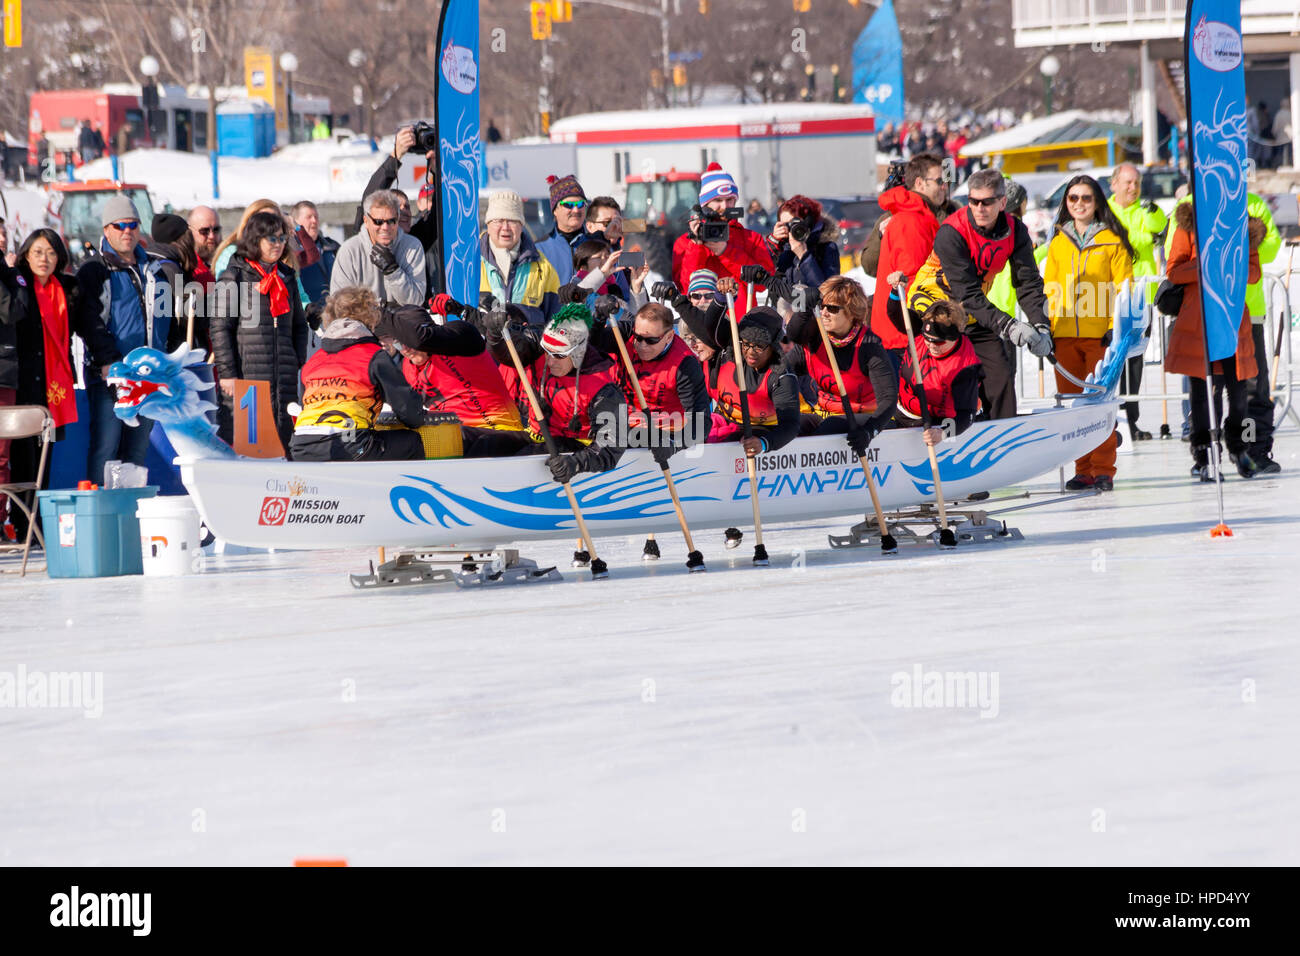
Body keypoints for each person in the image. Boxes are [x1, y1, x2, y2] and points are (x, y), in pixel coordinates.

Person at [907, 169, 1052, 420]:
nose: (980, 208)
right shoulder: (952, 232)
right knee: (951, 375)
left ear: (1003, 202)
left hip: (972, 312)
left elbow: (1027, 283)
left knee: (1000, 375)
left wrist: (1040, 324)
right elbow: (966, 292)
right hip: (935, 308)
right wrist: (1008, 326)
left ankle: (1003, 435)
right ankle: (939, 427)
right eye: (973, 201)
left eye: (987, 202)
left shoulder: (1015, 232)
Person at [0, 231, 105, 539]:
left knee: (45, 459)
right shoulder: (17, 286)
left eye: (50, 253)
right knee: (21, 460)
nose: (44, 259)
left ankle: (37, 523)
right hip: (22, 383)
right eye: (37, 252)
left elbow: (87, 327)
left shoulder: (68, 290)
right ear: (25, 256)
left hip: (54, 384)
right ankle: (22, 524)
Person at [1044, 175, 1135, 492]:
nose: (1079, 204)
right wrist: (1048, 328)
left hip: (1101, 337)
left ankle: (1103, 470)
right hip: (1064, 335)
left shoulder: (1113, 241)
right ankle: (1082, 469)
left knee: (1099, 405)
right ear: (1066, 204)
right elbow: (1049, 289)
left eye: (1085, 198)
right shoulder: (1057, 242)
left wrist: (1115, 327)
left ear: (1097, 202)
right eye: (1073, 199)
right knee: (1073, 409)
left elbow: (1125, 288)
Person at [75, 196, 174, 483]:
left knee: (136, 452)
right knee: (106, 448)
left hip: (147, 376)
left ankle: (129, 516)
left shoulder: (154, 269)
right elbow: (89, 322)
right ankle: (100, 514)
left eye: (132, 225)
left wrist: (165, 358)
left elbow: (166, 319)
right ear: (107, 229)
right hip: (111, 377)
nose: (127, 231)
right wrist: (108, 361)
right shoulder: (95, 269)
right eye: (120, 225)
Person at [1164, 202, 1265, 481]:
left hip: (1232, 319)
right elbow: (1174, 271)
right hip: (1199, 320)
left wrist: (1232, 261)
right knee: (1203, 394)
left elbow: (1254, 273)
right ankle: (1204, 452)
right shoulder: (1189, 223)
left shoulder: (1240, 223)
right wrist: (1206, 265)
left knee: (1240, 392)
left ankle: (1238, 446)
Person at [490, 303, 627, 484]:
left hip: (575, 447)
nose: (551, 361)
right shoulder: (541, 350)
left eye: (560, 355)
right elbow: (508, 352)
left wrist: (575, 464)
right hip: (536, 435)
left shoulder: (603, 389)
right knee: (483, 444)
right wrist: (494, 333)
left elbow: (612, 446)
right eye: (547, 352)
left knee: (518, 457)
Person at [380, 295, 532, 457]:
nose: (405, 350)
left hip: (497, 432)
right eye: (398, 344)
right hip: (449, 434)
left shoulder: (462, 338)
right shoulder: (406, 368)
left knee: (440, 440)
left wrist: (376, 311)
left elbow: (421, 339)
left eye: (408, 342)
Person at [290, 288, 428, 462]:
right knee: (411, 442)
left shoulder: (313, 362)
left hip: (301, 446)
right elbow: (410, 413)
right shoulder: (373, 355)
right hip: (349, 443)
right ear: (371, 319)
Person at [212, 210, 310, 452]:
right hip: (248, 376)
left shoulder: (286, 276)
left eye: (281, 238)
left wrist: (297, 359)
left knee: (282, 445)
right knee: (251, 447)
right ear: (256, 241)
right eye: (272, 239)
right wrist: (227, 373)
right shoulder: (234, 276)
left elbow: (299, 323)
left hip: (283, 377)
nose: (278, 244)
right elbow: (220, 327)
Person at [784, 276, 897, 456]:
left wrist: (869, 431)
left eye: (833, 308)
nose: (825, 313)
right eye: (822, 307)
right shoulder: (815, 335)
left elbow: (888, 399)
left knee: (831, 425)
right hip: (824, 414)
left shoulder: (869, 345)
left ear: (852, 312)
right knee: (789, 425)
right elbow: (792, 339)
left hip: (866, 417)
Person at [676, 298, 801, 456]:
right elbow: (709, 325)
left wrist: (764, 444)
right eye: (746, 343)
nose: (750, 352)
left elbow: (790, 425)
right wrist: (719, 298)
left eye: (759, 346)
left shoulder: (781, 375)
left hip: (762, 429)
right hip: (724, 420)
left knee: (718, 438)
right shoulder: (728, 352)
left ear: (773, 346)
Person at [871, 153, 950, 361]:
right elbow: (912, 280)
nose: (944, 186)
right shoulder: (912, 221)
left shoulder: (920, 217)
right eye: (939, 181)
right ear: (919, 183)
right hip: (905, 336)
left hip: (908, 335)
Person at [1108, 164, 1167, 441]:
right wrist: (1140, 239)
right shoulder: (1104, 212)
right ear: (1114, 184)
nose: (1133, 188)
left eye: (1137, 183)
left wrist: (1153, 212)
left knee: (1134, 361)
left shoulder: (1144, 212)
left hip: (1140, 296)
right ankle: (1108, 421)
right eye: (1128, 182)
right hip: (1108, 297)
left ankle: (1132, 421)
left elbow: (1160, 227)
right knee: (1110, 360)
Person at [614, 302, 710, 456]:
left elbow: (701, 422)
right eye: (638, 338)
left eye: (651, 340)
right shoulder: (623, 337)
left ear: (669, 336)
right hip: (624, 430)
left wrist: (673, 446)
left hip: (664, 435)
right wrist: (598, 319)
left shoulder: (684, 364)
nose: (643, 346)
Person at [674, 162, 774, 310]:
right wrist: (697, 246)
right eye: (718, 201)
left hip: (743, 322)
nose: (725, 206)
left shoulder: (751, 238)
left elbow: (762, 285)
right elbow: (685, 287)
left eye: (729, 200)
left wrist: (726, 251)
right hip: (702, 324)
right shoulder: (684, 242)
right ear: (705, 204)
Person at [354, 126, 439, 289]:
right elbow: (370, 198)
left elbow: (437, 217)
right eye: (398, 208)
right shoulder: (370, 235)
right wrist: (396, 155)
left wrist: (437, 172)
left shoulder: (415, 240)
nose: (404, 211)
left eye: (407, 206)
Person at [893, 299, 982, 442]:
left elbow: (966, 416)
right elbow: (895, 313)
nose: (931, 345)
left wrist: (943, 433)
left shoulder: (965, 367)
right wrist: (895, 292)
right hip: (905, 413)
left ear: (953, 338)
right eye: (927, 339)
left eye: (939, 342)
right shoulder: (921, 332)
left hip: (944, 423)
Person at [478, 189, 560, 326]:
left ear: (521, 225)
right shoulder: (472, 262)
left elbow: (555, 319)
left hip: (526, 346)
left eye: (512, 221)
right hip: (485, 346)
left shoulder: (542, 266)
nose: (505, 227)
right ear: (488, 224)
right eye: (499, 220)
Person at [331, 191, 426, 306]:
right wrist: (378, 309)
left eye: (391, 221)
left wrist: (393, 271)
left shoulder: (412, 246)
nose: (385, 227)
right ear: (366, 221)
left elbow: (415, 301)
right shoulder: (349, 251)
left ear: (398, 218)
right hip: (361, 323)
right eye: (378, 222)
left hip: (403, 322)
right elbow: (340, 306)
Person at [753, 195, 840, 298]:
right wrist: (773, 244)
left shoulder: (827, 248)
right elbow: (757, 276)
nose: (790, 230)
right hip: (784, 312)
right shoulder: (783, 247)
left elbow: (829, 294)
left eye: (793, 224)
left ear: (808, 223)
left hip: (814, 312)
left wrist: (804, 256)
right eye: (784, 225)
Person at [535, 174, 590, 286]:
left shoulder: (597, 245)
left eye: (580, 204)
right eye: (569, 205)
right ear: (555, 210)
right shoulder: (539, 249)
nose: (575, 210)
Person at [291, 200, 340, 306]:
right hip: (309, 313)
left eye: (316, 217)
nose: (314, 221)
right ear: (295, 222)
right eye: (309, 217)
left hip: (335, 312)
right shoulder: (291, 252)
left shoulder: (332, 247)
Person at [187, 205, 222, 282]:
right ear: (189, 232)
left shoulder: (231, 262)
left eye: (216, 230)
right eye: (204, 231)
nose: (211, 236)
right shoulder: (183, 268)